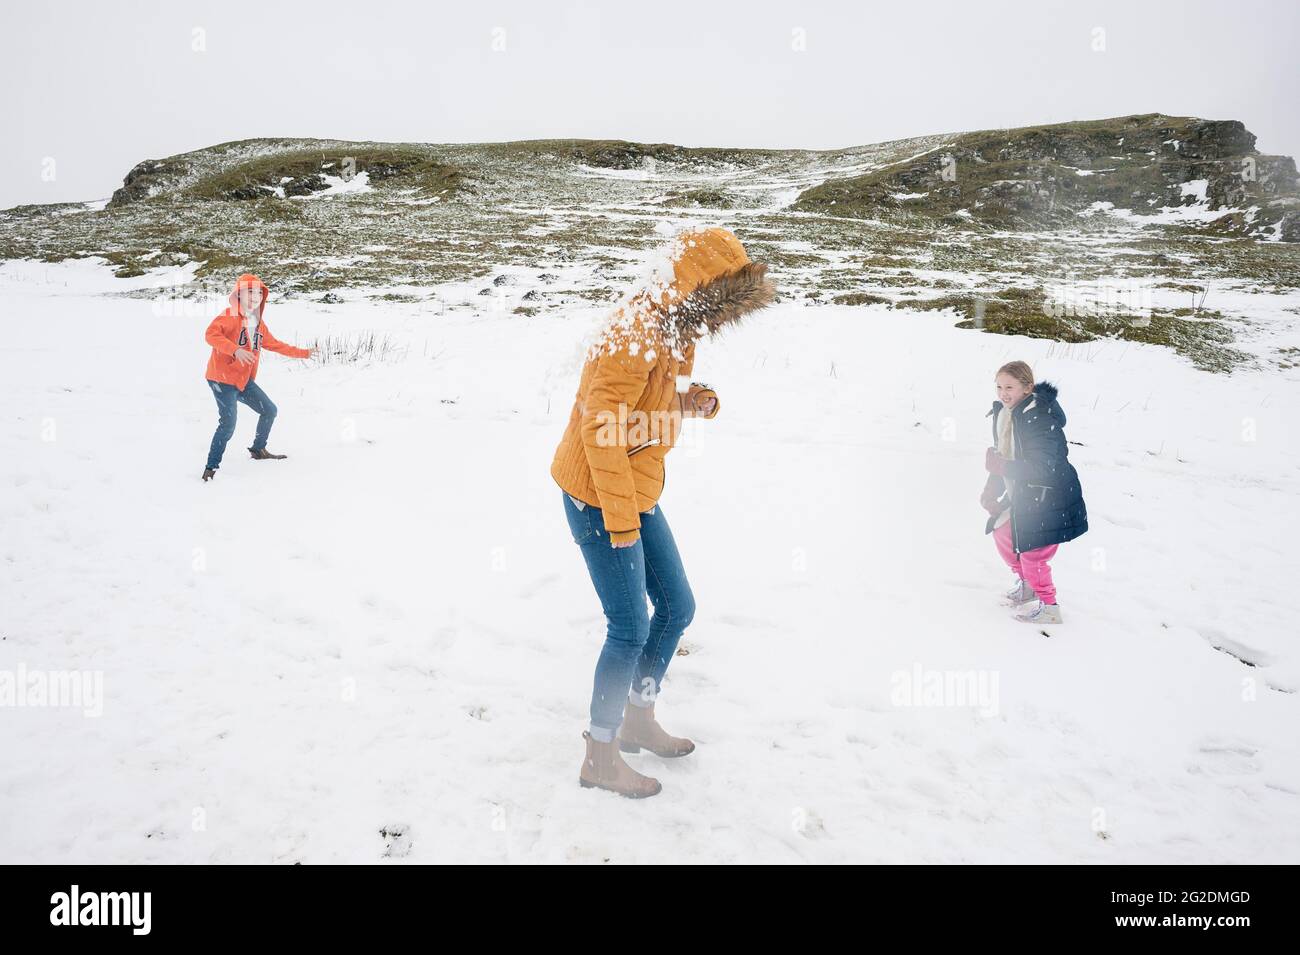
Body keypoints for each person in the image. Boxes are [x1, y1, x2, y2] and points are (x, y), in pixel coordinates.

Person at [551, 227, 776, 797]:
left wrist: (690, 401)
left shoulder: (676, 326)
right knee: (628, 628)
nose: (716, 320)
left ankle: (638, 717)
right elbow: (600, 429)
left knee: (677, 606)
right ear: (696, 287)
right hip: (598, 495)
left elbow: (647, 406)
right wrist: (621, 523)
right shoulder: (635, 329)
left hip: (637, 487)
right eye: (717, 303)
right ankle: (600, 755)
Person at [980, 361, 1088, 625]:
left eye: (1010, 387)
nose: (1003, 393)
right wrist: (990, 491)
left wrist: (1003, 465)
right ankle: (1028, 585)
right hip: (1024, 494)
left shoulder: (1038, 417)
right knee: (1003, 532)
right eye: (999, 387)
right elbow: (1002, 456)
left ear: (1027, 388)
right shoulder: (1007, 413)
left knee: (1033, 554)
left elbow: (1044, 467)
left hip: (1049, 497)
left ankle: (1050, 608)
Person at [201, 274, 314, 481]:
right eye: (250, 291)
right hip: (222, 380)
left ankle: (258, 450)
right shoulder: (229, 316)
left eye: (259, 292)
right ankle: (210, 468)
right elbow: (211, 335)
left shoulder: (258, 324)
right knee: (228, 424)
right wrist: (234, 350)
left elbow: (277, 345)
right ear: (239, 294)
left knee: (269, 410)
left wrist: (304, 353)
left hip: (242, 381)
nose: (255, 296)